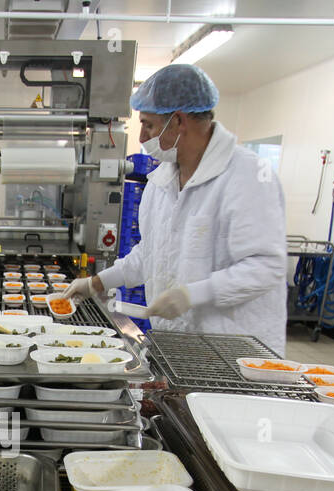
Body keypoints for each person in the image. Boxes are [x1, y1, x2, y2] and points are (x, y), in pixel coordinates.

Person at [57, 64, 289, 355]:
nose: (142, 137)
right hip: (179, 347)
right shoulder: (161, 181)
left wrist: (193, 294)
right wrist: (96, 282)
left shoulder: (247, 176)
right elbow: (150, 252)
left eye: (149, 125)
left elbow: (266, 267)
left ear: (179, 120)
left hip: (236, 352)